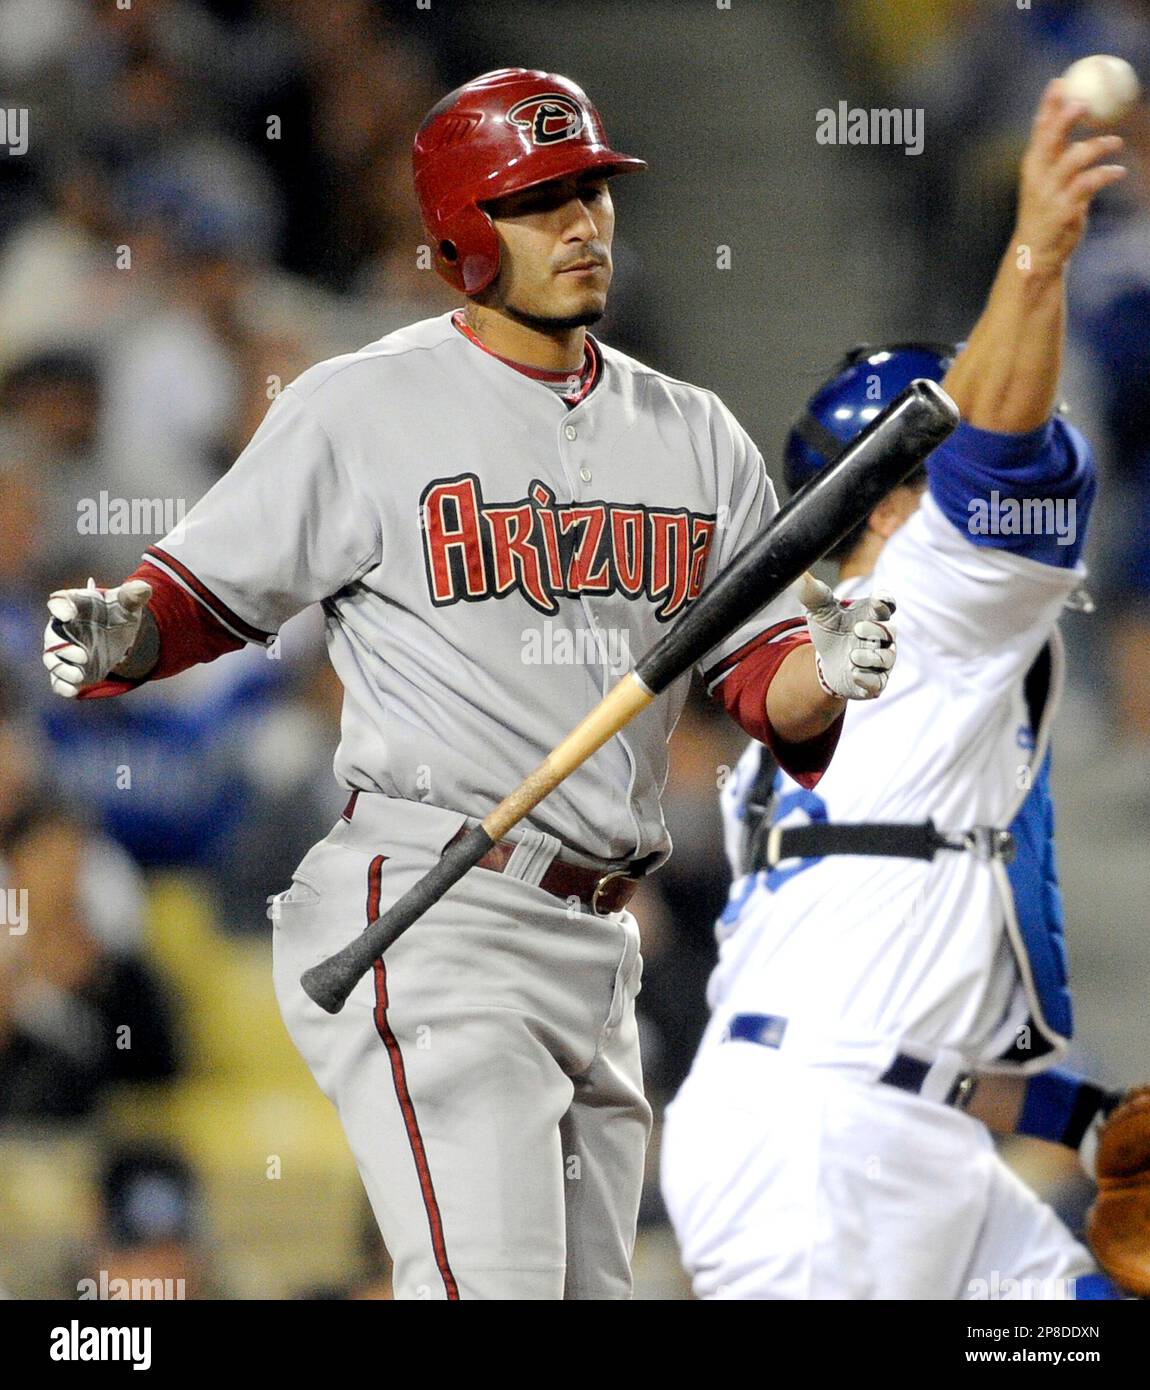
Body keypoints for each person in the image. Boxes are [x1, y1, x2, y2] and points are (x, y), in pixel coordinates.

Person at [40, 68, 896, 1300]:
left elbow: (765, 681)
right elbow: (196, 599)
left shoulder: (694, 433)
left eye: (589, 192)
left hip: (599, 936)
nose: (583, 223)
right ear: (457, 233)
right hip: (437, 902)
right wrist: (113, 634)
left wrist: (835, 668)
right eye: (539, 200)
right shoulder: (364, 403)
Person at [660, 79, 1136, 1301]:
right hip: (820, 1152)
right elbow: (1005, 454)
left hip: (878, 1118)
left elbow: (904, 1027)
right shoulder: (913, 605)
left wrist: (1082, 1116)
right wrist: (1032, 247)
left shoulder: (860, 661)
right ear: (877, 499)